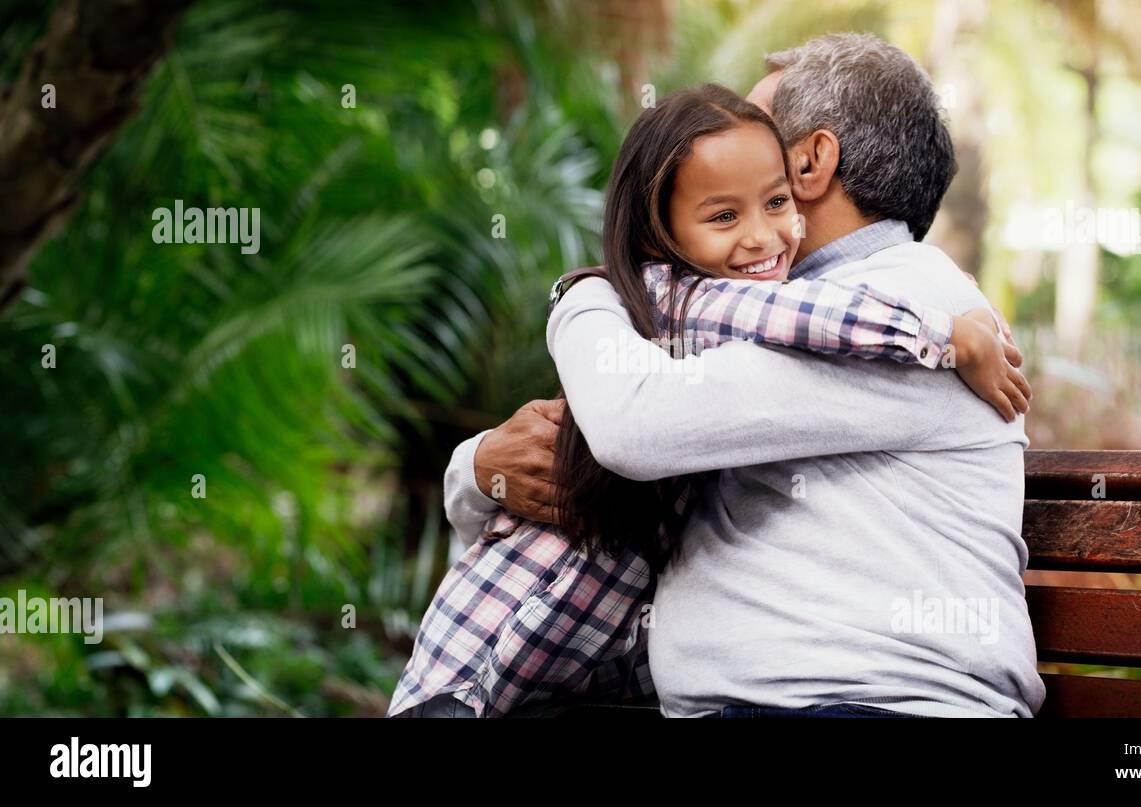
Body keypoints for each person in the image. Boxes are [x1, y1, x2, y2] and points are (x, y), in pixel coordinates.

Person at [389, 79, 1027, 718]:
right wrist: (475, 468)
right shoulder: (722, 304)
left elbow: (632, 426)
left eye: (772, 188)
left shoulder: (894, 299)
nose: (758, 231)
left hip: (854, 705)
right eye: (723, 212)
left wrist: (578, 298)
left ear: (808, 163)